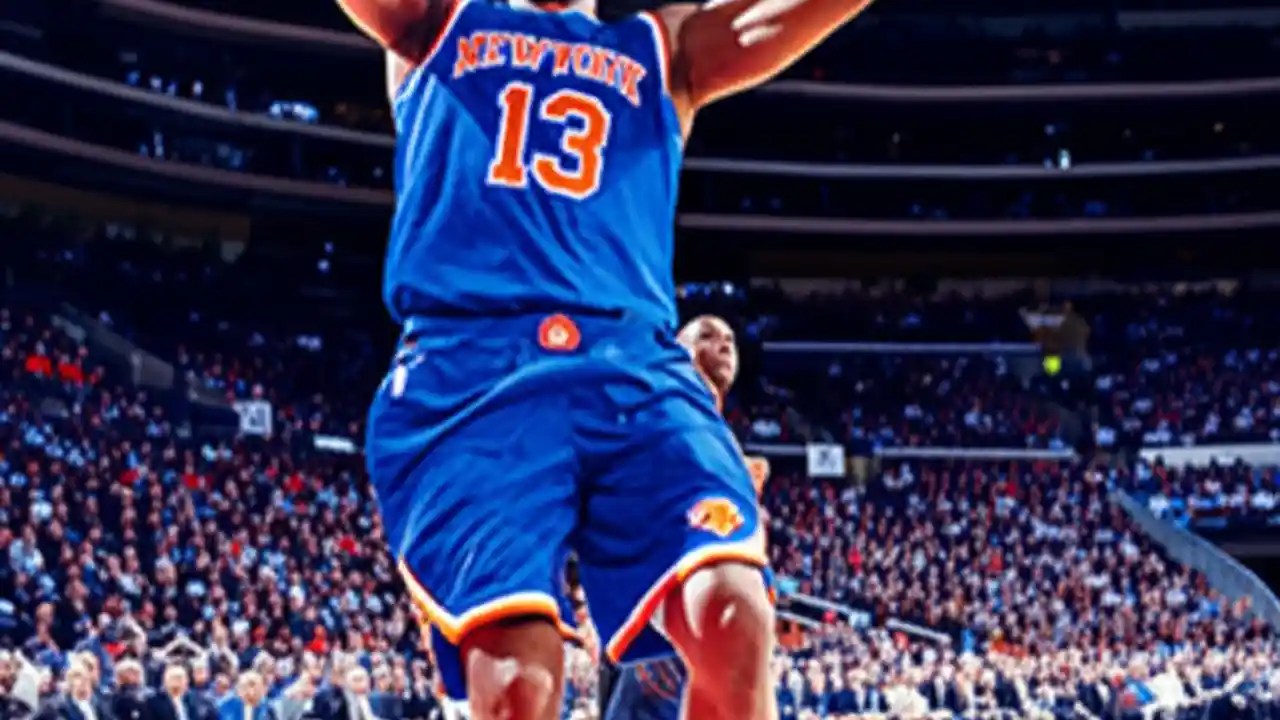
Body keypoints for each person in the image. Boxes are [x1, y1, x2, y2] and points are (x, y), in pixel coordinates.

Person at [339, 0, 872, 716]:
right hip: (474, 370)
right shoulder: (443, 14)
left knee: (734, 615)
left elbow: (764, 19)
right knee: (518, 685)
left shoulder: (663, 43)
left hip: (633, 368)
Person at [604, 315, 770, 720]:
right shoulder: (659, 407)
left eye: (730, 337)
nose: (725, 344)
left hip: (693, 618)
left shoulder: (717, 434)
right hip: (664, 613)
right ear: (679, 351)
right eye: (708, 336)